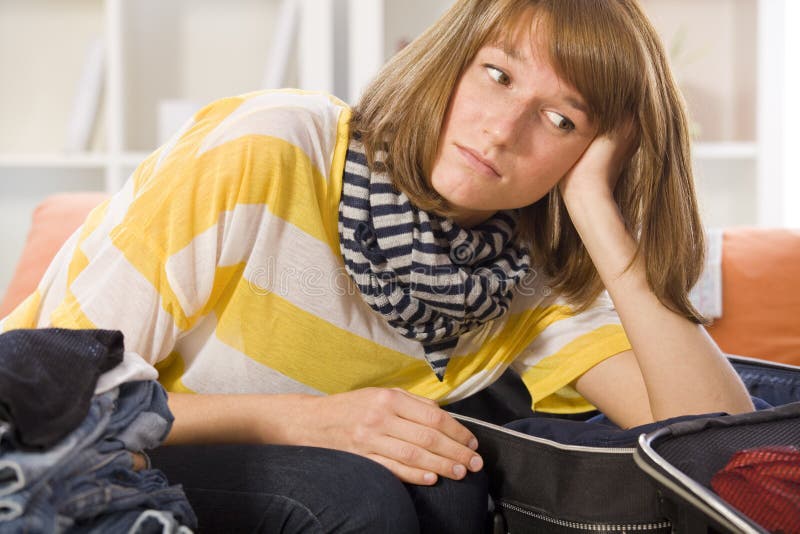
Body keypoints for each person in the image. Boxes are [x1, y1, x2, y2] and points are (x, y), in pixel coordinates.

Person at [1, 0, 755, 532]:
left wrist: (599, 213)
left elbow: (720, 449)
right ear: (450, 60)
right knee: (350, 495)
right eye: (498, 75)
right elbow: (52, 399)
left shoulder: (530, 271)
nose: (502, 131)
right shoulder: (270, 147)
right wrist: (304, 421)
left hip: (251, 460)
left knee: (453, 490)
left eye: (561, 120)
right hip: (61, 446)